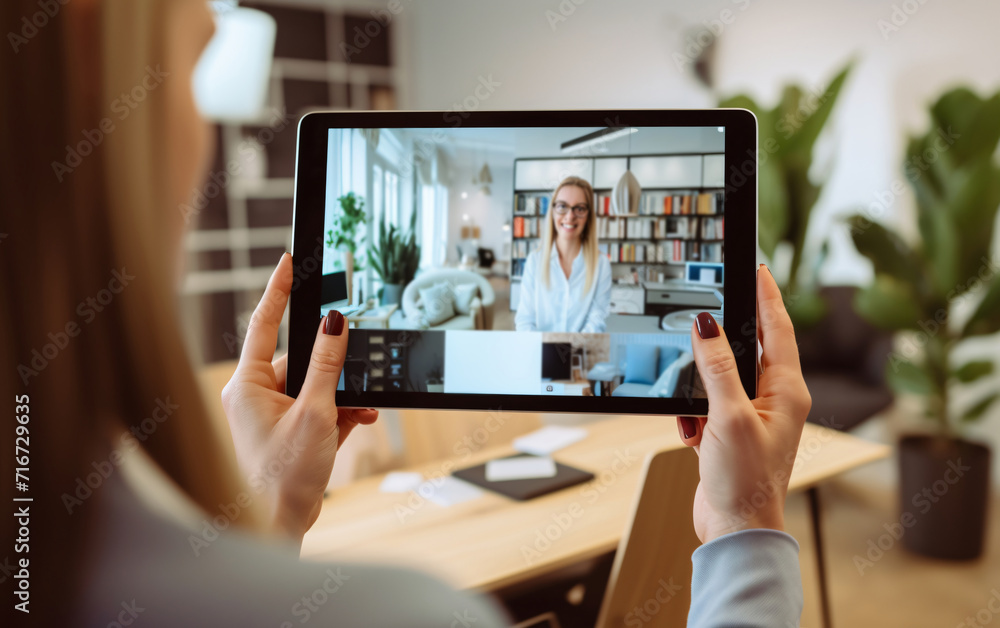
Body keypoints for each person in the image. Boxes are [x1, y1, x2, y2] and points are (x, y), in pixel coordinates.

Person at [1, 1, 809, 626]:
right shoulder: (410, 615)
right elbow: (526, 310)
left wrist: (272, 506)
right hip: (552, 353)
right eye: (194, 60)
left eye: (574, 208)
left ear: (587, 212)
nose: (565, 216)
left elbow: (585, 314)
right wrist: (746, 522)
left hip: (587, 365)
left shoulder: (47, 557)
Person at [514, 176, 612, 333]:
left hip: (581, 354)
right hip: (540, 353)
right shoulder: (535, 260)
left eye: (579, 208)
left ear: (588, 216)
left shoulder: (601, 264)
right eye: (562, 206)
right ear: (553, 211)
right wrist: (546, 353)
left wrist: (569, 355)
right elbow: (525, 320)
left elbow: (596, 322)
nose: (570, 216)